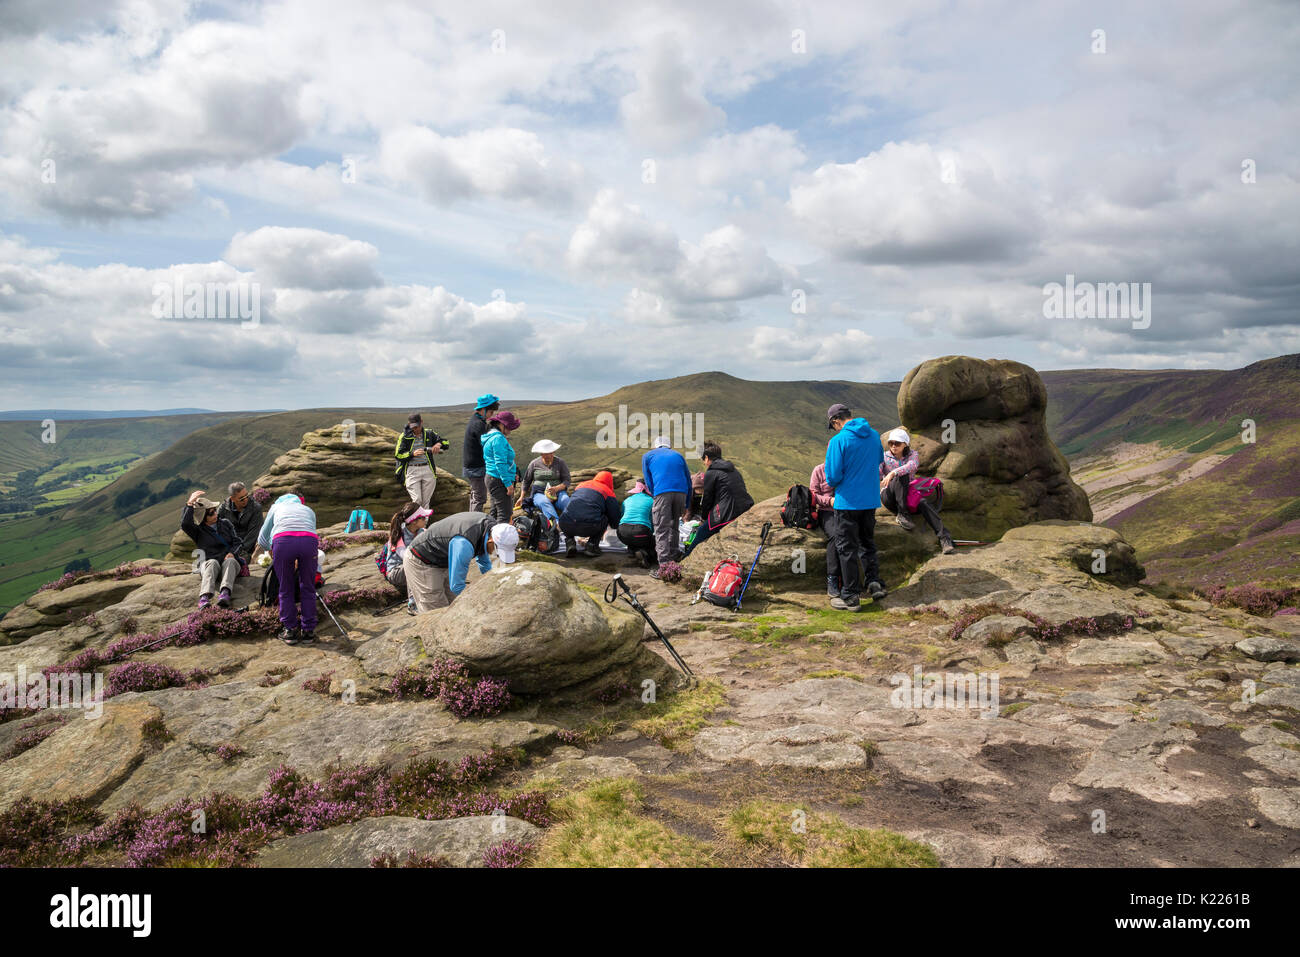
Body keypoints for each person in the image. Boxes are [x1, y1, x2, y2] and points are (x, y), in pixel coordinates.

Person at [824, 403, 886, 612]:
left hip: (847, 502)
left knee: (847, 547)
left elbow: (832, 477)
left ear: (835, 421)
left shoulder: (838, 441)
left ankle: (851, 595)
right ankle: (874, 583)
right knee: (867, 542)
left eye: (832, 426)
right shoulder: (874, 435)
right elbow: (878, 460)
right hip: (870, 500)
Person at [404, 512, 518, 611]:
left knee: (454, 603)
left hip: (441, 558)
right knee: (437, 610)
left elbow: (483, 561)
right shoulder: (463, 544)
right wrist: (480, 602)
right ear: (491, 541)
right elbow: (457, 585)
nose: (497, 555)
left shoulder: (490, 527)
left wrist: (494, 585)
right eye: (498, 552)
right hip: (421, 560)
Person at [251, 489, 319, 644]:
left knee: (285, 587)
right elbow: (310, 530)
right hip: (309, 542)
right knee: (308, 586)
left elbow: (262, 538)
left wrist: (271, 547)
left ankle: (290, 630)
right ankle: (308, 631)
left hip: (283, 541)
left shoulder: (276, 508)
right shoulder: (308, 509)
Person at [880, 428, 955, 554]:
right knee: (901, 476)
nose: (893, 446)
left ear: (905, 444)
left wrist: (893, 472)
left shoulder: (912, 455)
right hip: (889, 496)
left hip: (906, 495)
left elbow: (912, 466)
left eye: (897, 443)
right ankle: (903, 514)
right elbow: (876, 473)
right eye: (891, 443)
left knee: (923, 503)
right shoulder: (883, 457)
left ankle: (944, 538)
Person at [680, 442, 754, 559]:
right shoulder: (734, 470)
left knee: (701, 533)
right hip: (744, 508)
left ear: (707, 458)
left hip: (728, 513)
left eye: (703, 460)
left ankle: (685, 560)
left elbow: (707, 500)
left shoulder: (712, 473)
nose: (704, 463)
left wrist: (703, 519)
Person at [181, 490, 247, 609]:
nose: (215, 514)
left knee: (230, 561)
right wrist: (189, 503)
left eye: (214, 510)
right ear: (203, 516)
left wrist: (232, 553)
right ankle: (204, 598)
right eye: (211, 513)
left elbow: (237, 541)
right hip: (210, 568)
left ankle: (225, 594)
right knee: (212, 563)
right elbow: (185, 524)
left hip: (229, 567)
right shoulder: (198, 531)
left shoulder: (225, 523)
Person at [641, 435, 692, 574]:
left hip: (662, 492)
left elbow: (648, 480)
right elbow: (688, 480)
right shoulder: (678, 455)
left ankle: (664, 567)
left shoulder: (648, 456)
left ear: (655, 446)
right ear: (669, 446)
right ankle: (674, 556)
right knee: (674, 525)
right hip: (682, 493)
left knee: (661, 529)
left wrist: (655, 494)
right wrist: (687, 504)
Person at [559, 470, 621, 558]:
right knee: (605, 518)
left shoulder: (580, 485)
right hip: (589, 527)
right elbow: (614, 517)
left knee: (569, 514)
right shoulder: (607, 491)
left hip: (565, 524)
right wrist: (615, 526)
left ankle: (570, 542)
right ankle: (592, 546)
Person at [810, 462, 848, 598]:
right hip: (827, 512)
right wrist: (829, 501)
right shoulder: (819, 470)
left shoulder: (847, 469)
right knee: (835, 536)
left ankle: (848, 581)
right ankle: (832, 579)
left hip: (846, 511)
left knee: (850, 536)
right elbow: (813, 495)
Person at [394, 412, 447, 508]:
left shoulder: (429, 433)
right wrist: (412, 454)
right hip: (412, 470)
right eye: (412, 427)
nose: (415, 429)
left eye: (417, 426)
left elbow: (446, 442)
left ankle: (424, 523)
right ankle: (414, 522)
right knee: (417, 500)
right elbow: (398, 455)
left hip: (428, 469)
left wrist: (438, 444)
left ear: (421, 422)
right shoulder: (404, 436)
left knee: (426, 502)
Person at [382, 501, 432, 602]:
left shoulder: (422, 532)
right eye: (423, 517)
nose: (425, 519)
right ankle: (413, 602)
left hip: (413, 566)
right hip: (396, 571)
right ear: (414, 521)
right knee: (414, 565)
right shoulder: (398, 534)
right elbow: (406, 557)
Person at [516, 439, 571, 527]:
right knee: (544, 502)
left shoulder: (560, 463)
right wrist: (521, 497)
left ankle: (572, 523)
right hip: (539, 493)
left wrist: (556, 488)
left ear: (553, 452)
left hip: (558, 492)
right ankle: (556, 525)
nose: (546, 456)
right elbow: (526, 481)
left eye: (548, 453)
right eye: (543, 454)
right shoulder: (534, 464)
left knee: (566, 501)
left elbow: (567, 480)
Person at [462, 393, 500, 513]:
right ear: (483, 410)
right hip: (476, 467)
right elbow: (486, 445)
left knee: (476, 495)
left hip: (472, 465)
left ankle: (472, 518)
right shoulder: (478, 424)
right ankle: (474, 521)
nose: (491, 414)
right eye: (490, 411)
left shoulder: (477, 421)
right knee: (480, 497)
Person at [481, 410, 520, 524]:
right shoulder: (498, 439)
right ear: (501, 425)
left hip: (492, 478)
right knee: (505, 514)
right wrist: (508, 484)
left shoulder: (490, 437)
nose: (510, 431)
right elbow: (500, 463)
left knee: (495, 513)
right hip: (499, 480)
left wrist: (513, 474)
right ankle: (500, 541)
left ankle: (490, 540)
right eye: (509, 427)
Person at [217, 482, 263, 560]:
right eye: (241, 498)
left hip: (247, 549)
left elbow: (253, 535)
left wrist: (235, 552)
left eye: (247, 496)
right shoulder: (223, 508)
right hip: (228, 547)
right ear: (232, 499)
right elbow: (215, 527)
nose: (246, 499)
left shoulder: (256, 508)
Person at [617, 479, 657, 567]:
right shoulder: (652, 500)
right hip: (641, 533)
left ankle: (633, 550)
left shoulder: (627, 500)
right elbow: (654, 521)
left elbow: (622, 515)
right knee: (652, 541)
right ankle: (644, 554)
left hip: (622, 533)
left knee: (633, 538)